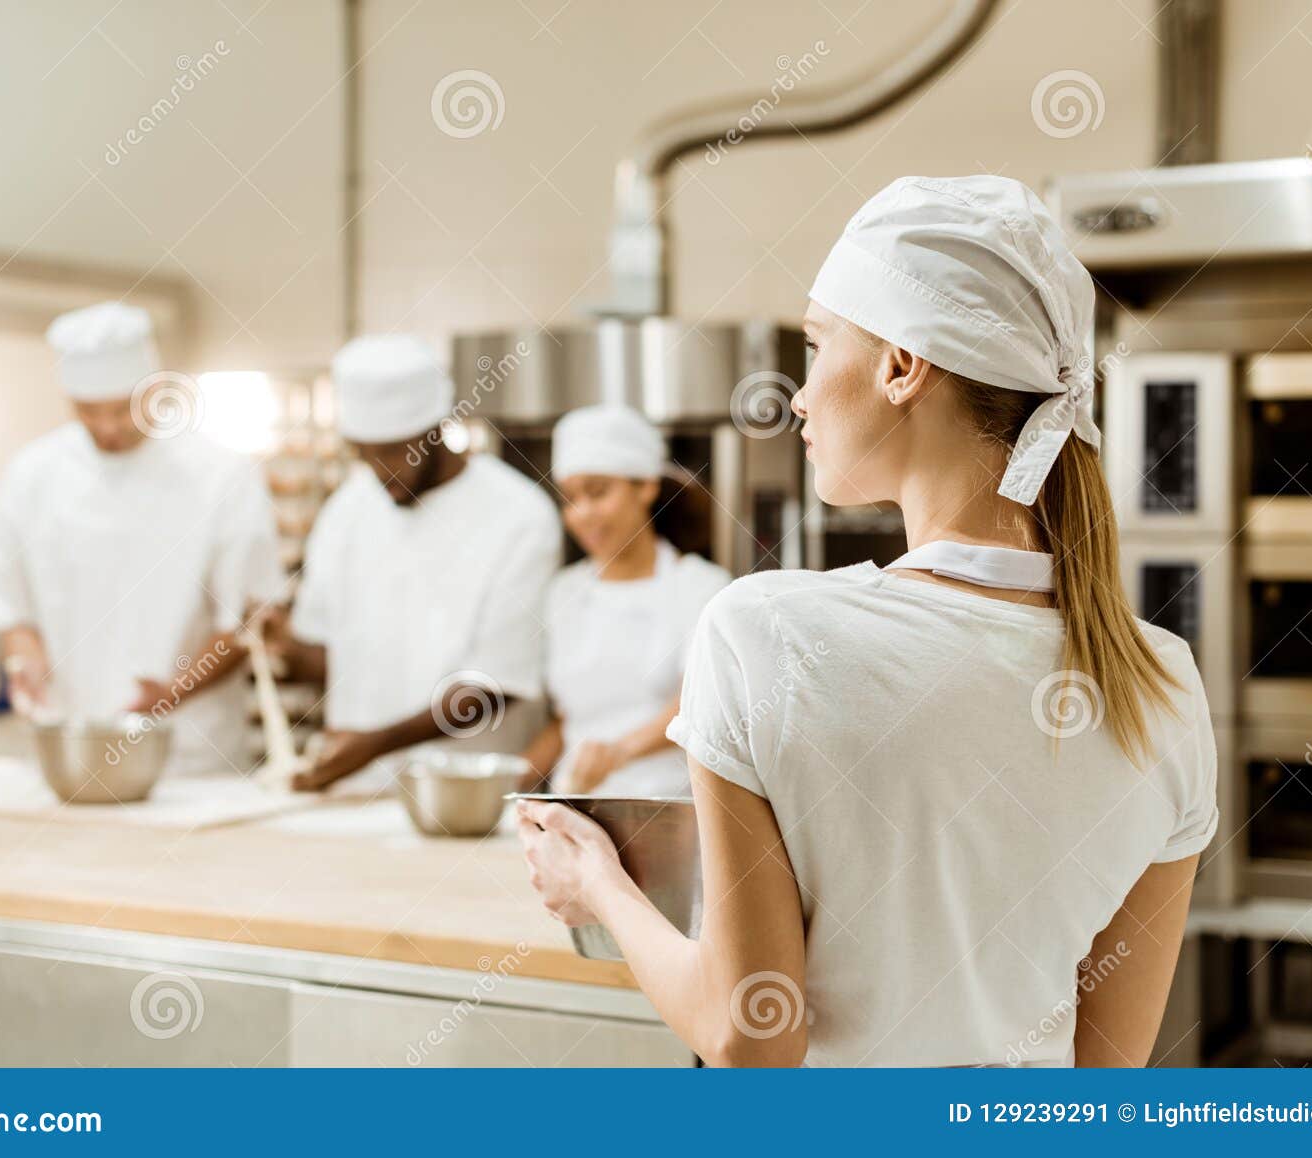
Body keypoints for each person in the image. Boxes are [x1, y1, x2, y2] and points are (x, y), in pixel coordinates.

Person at [518, 176, 1219, 1068]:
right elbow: (1107, 1073)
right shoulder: (1161, 683)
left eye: (817, 346)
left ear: (901, 365)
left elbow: (752, 1039)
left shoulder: (763, 630)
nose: (801, 397)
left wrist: (598, 884)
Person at [0, 301, 285, 778]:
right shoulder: (33, 474)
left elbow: (248, 622)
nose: (108, 427)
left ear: (155, 389)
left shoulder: (222, 476)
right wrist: (23, 661)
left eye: (122, 410)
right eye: (88, 412)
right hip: (72, 745)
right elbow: (10, 606)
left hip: (192, 755)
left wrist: (171, 694)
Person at [264, 334, 562, 793]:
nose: (377, 470)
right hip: (354, 796)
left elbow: (495, 686)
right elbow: (333, 657)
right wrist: (283, 646)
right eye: (362, 452)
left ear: (437, 429)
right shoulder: (348, 510)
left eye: (391, 451)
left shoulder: (519, 515)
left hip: (466, 804)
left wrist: (375, 745)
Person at [519, 405, 729, 797]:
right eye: (570, 498)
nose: (582, 513)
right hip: (576, 800)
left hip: (670, 805)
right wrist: (515, 778)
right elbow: (569, 720)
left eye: (598, 492)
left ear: (646, 486)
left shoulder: (702, 587)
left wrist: (616, 754)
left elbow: (700, 706)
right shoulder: (564, 591)